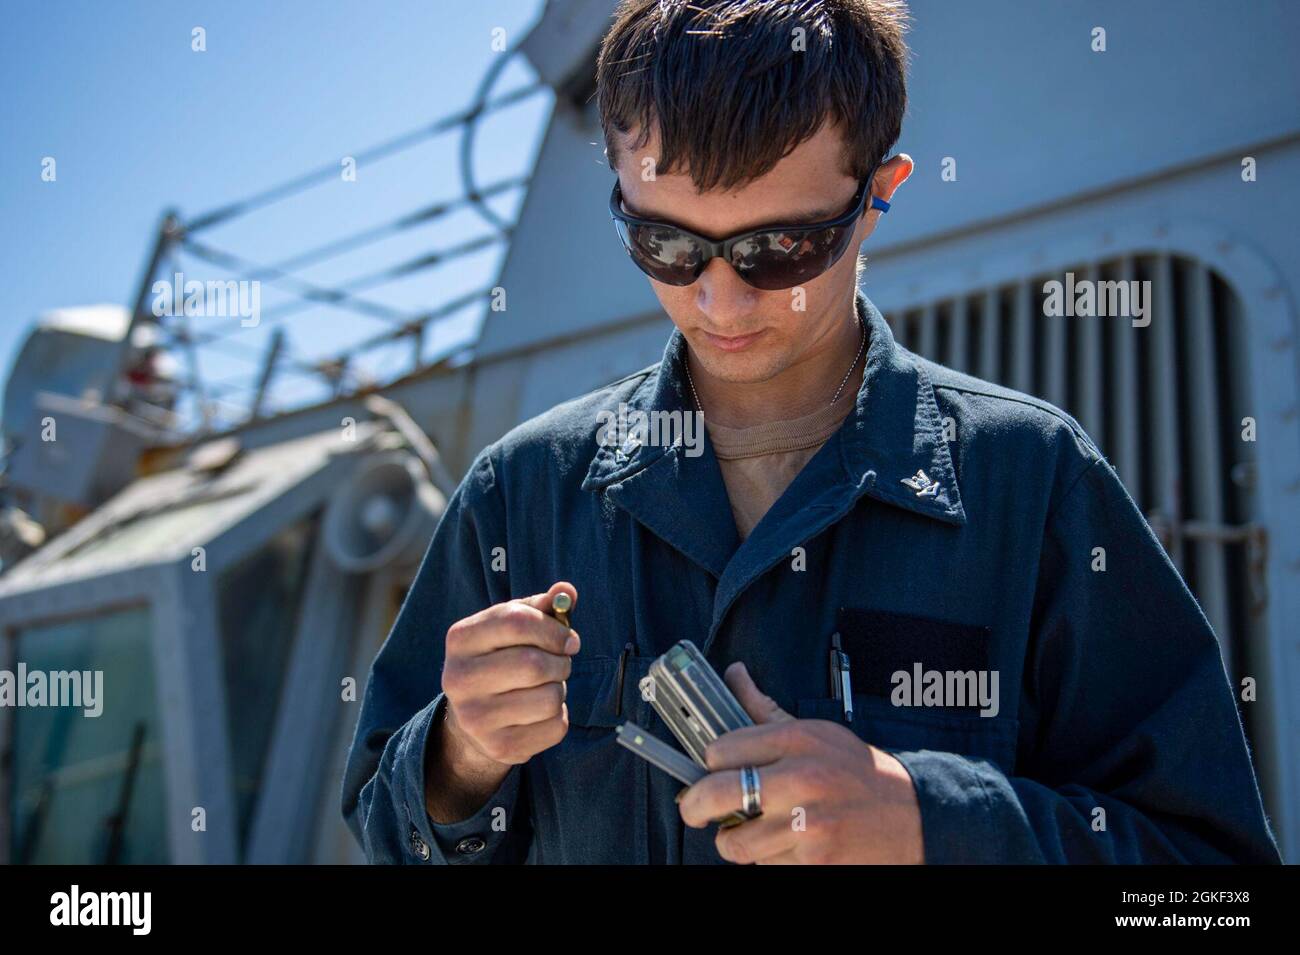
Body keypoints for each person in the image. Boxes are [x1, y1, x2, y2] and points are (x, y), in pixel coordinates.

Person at [342, 0, 1280, 864]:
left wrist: (927, 823)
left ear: (880, 192)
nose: (717, 299)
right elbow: (385, 832)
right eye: (664, 243)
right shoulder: (518, 494)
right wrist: (460, 757)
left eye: (778, 248)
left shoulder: (1033, 484)